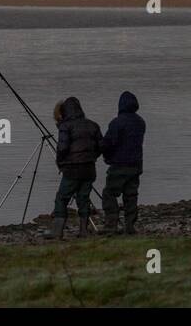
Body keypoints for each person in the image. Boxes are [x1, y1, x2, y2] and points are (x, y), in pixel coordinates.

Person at [45, 97, 102, 239]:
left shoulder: (66, 126)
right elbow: (101, 146)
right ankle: (83, 231)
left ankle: (57, 232)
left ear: (64, 112)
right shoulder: (93, 125)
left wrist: (61, 163)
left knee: (62, 198)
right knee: (84, 198)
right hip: (89, 169)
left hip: (72, 169)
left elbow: (62, 149)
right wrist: (92, 158)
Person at [101, 91, 145, 235]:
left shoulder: (117, 122)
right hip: (136, 165)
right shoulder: (140, 122)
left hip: (119, 165)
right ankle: (130, 225)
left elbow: (108, 143)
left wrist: (106, 157)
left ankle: (111, 224)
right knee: (131, 195)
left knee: (109, 194)